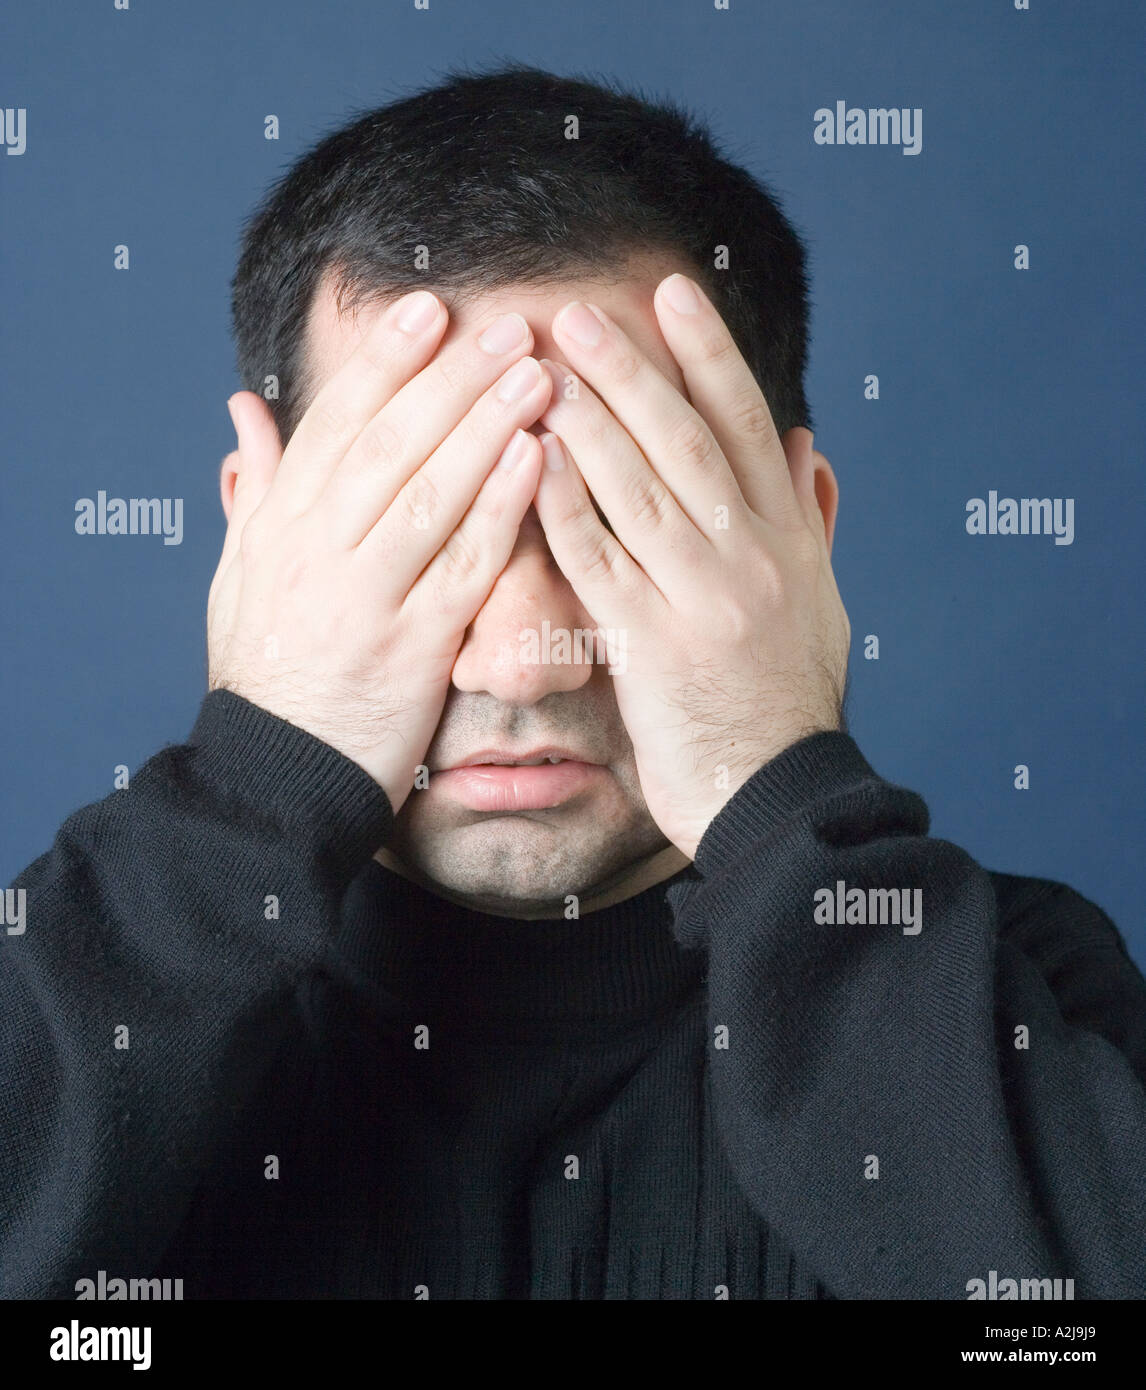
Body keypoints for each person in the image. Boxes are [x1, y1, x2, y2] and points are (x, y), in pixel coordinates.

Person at [3, 64, 1144, 1301]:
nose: (518, 661)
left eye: (622, 520)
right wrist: (255, 776)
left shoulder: (1024, 998)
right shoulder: (84, 976)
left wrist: (775, 778)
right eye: (428, 531)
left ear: (797, 544)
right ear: (257, 543)